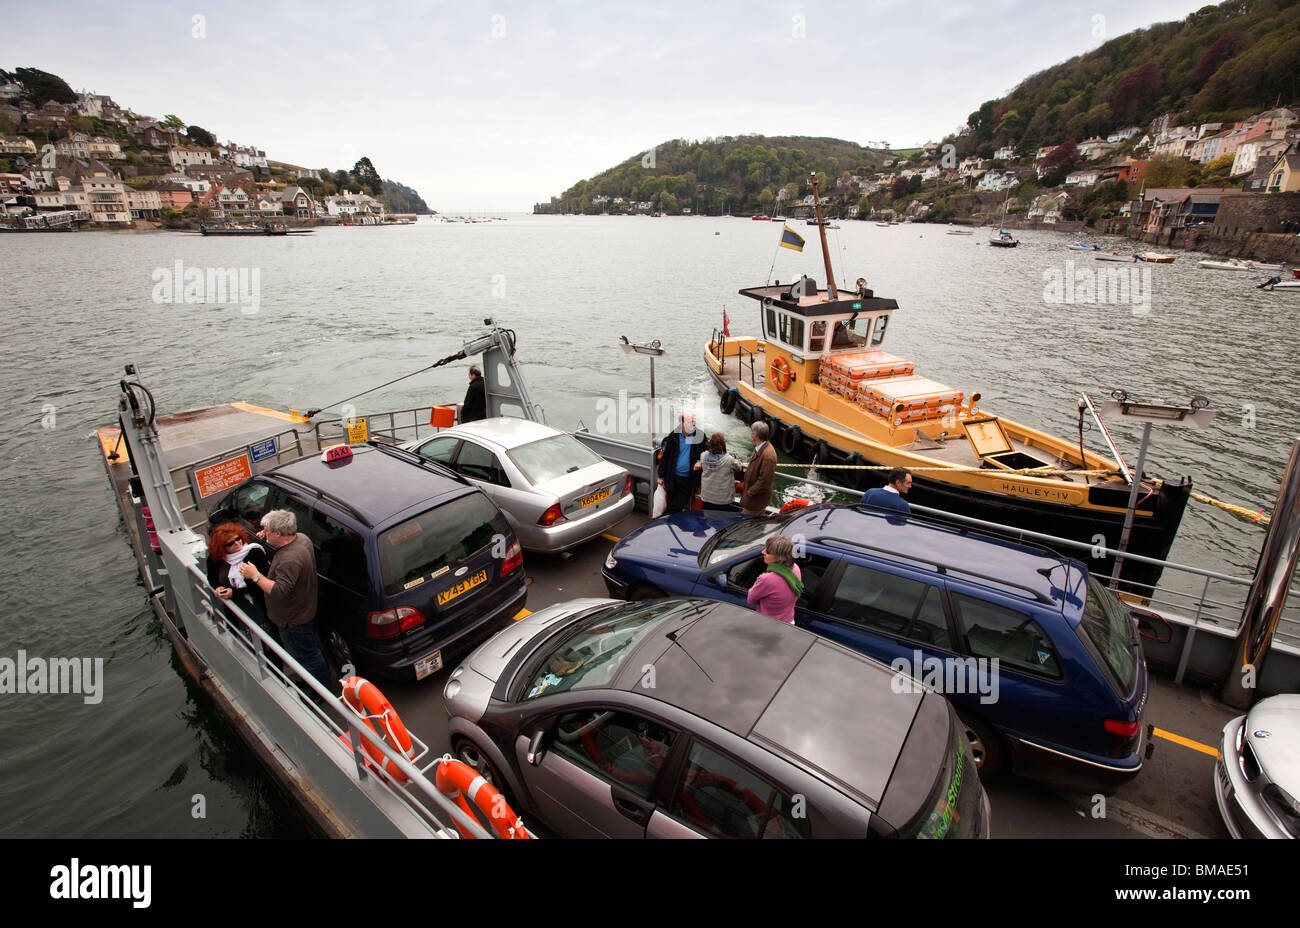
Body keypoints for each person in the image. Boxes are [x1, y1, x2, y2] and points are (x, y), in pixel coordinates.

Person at [238, 509, 334, 690]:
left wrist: (255, 575)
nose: (263, 532)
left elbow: (279, 590)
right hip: (306, 609)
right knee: (314, 649)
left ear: (278, 533)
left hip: (293, 619)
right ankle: (321, 680)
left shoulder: (288, 559)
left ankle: (319, 691)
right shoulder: (302, 539)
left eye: (266, 530)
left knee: (306, 656)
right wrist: (265, 537)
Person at [207, 522, 273, 636]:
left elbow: (262, 582)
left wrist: (234, 592)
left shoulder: (254, 552)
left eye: (238, 539)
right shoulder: (216, 560)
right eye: (231, 543)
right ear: (222, 548)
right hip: (235, 609)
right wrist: (218, 588)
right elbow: (212, 578)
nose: (237, 543)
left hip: (259, 606)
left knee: (266, 637)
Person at [747, 535, 804, 624]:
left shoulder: (766, 579)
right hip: (789, 621)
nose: (763, 552)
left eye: (768, 551)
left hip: (767, 624)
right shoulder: (796, 568)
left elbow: (750, 600)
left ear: (778, 557)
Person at [657, 412, 704, 513]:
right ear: (681, 423)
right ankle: (669, 525)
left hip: (688, 479)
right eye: (689, 422)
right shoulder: (674, 436)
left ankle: (663, 520)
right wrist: (661, 476)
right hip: (672, 477)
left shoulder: (699, 436)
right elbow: (665, 457)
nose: (692, 424)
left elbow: (706, 451)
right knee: (671, 502)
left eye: (693, 421)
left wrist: (700, 462)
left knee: (680, 503)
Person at [694, 432, 742, 510]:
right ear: (722, 445)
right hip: (723, 500)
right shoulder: (729, 460)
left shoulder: (703, 456)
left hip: (707, 497)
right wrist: (732, 457)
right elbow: (739, 467)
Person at [739, 421, 777, 515]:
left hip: (755, 502)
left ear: (755, 434)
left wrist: (750, 492)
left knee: (745, 526)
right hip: (755, 500)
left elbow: (764, 480)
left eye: (751, 432)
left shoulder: (767, 455)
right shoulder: (761, 448)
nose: (750, 433)